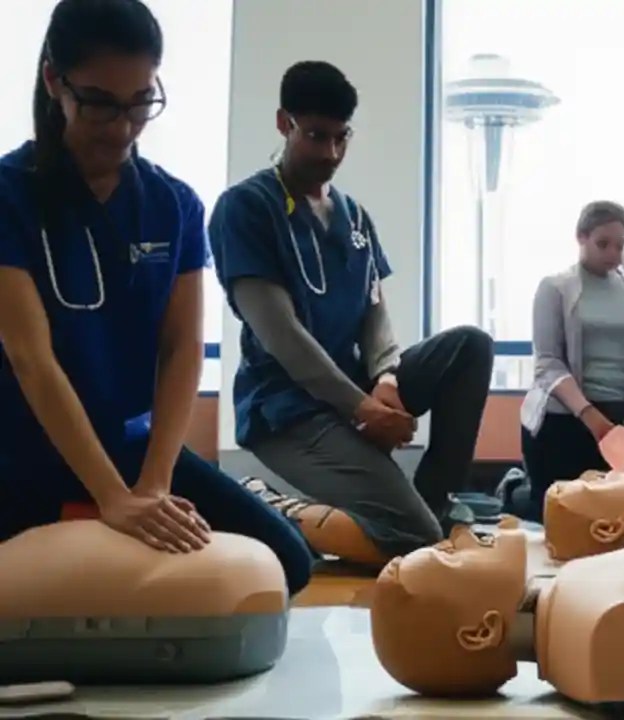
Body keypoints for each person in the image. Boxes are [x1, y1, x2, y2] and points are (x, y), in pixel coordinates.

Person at [0, 0, 311, 593]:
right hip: (20, 449)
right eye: (98, 103)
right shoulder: (8, 196)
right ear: (52, 81)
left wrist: (153, 488)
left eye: (140, 102)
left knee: (287, 563)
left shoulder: (174, 205)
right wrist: (110, 500)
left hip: (131, 450)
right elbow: (30, 360)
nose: (121, 127)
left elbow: (181, 351)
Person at [208, 61, 494, 564]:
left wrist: (385, 379)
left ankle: (434, 501)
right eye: (316, 136)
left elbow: (374, 310)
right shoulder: (245, 209)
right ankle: (267, 504)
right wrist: (363, 410)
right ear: (284, 123)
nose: (331, 153)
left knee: (470, 346)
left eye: (342, 138)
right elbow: (281, 336)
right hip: (287, 410)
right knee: (413, 538)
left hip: (356, 385)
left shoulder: (354, 216)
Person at [520, 201, 624, 522]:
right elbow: (548, 363)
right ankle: (520, 495)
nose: (613, 253)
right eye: (603, 244)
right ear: (581, 238)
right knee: (568, 516)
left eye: (620, 245)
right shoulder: (555, 288)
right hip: (567, 416)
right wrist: (591, 418)